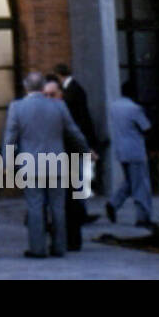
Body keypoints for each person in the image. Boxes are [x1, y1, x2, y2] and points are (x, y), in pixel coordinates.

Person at [4, 71, 89, 258]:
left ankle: (38, 248)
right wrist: (86, 150)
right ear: (43, 88)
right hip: (57, 163)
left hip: (31, 164)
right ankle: (59, 246)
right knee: (58, 206)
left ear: (26, 87)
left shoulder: (17, 107)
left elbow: (10, 138)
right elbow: (74, 132)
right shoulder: (58, 106)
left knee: (35, 206)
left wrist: (8, 164)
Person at [54, 63, 101, 243]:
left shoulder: (73, 91)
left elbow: (78, 119)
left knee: (78, 178)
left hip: (75, 142)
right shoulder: (72, 89)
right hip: (76, 141)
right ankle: (80, 211)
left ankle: (80, 212)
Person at [105, 81, 153, 228]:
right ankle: (142, 217)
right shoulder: (135, 109)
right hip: (135, 150)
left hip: (121, 149)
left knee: (130, 182)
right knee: (140, 184)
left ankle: (113, 203)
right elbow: (146, 127)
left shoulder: (114, 107)